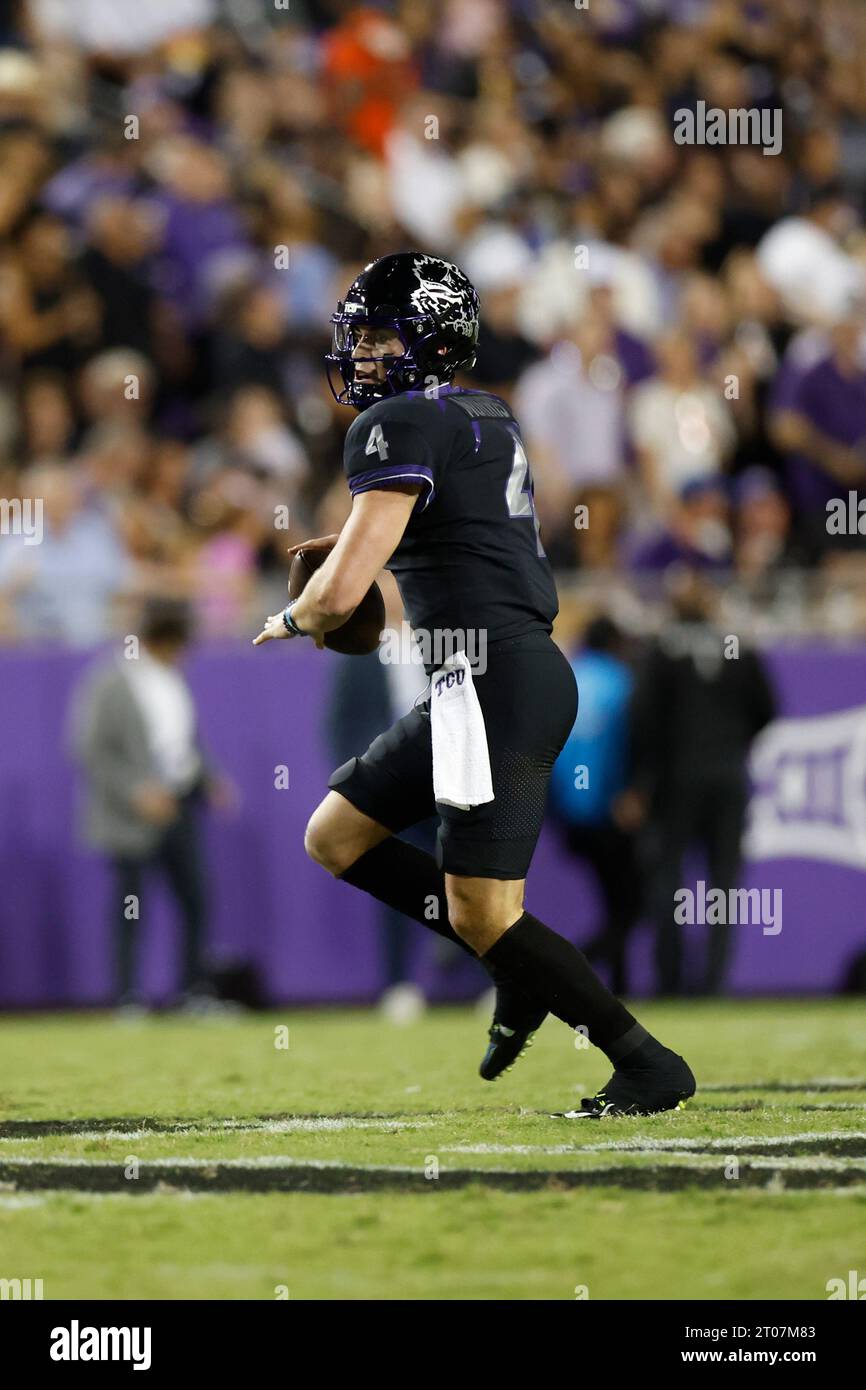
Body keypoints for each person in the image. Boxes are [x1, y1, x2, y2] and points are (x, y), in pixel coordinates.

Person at [253, 252, 695, 1117]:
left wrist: (296, 616)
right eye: (360, 336)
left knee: (484, 911)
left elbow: (340, 594)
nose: (364, 353)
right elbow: (442, 539)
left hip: (496, 683)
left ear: (433, 340)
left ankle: (645, 1061)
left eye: (382, 336)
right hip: (487, 680)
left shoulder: (395, 423)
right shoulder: (485, 411)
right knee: (336, 836)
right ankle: (511, 965)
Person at [69, 597, 230, 1008]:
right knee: (131, 906)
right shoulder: (111, 682)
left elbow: (184, 743)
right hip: (131, 818)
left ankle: (192, 991)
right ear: (163, 640)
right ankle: (128, 997)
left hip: (180, 806)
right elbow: (91, 750)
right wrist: (137, 791)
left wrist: (208, 778)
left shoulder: (174, 680)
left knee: (195, 899)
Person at [631, 571, 777, 996]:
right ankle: (714, 982)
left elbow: (642, 719)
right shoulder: (738, 645)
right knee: (724, 882)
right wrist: (733, 744)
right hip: (728, 777)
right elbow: (768, 709)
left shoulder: (662, 648)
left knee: (668, 878)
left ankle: (670, 980)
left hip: (676, 779)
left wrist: (643, 779)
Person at [547, 617, 642, 996]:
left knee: (616, 903)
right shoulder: (621, 682)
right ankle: (561, 972)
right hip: (611, 813)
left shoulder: (567, 679)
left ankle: (618, 985)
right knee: (631, 905)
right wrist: (628, 795)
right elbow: (624, 746)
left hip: (570, 815)